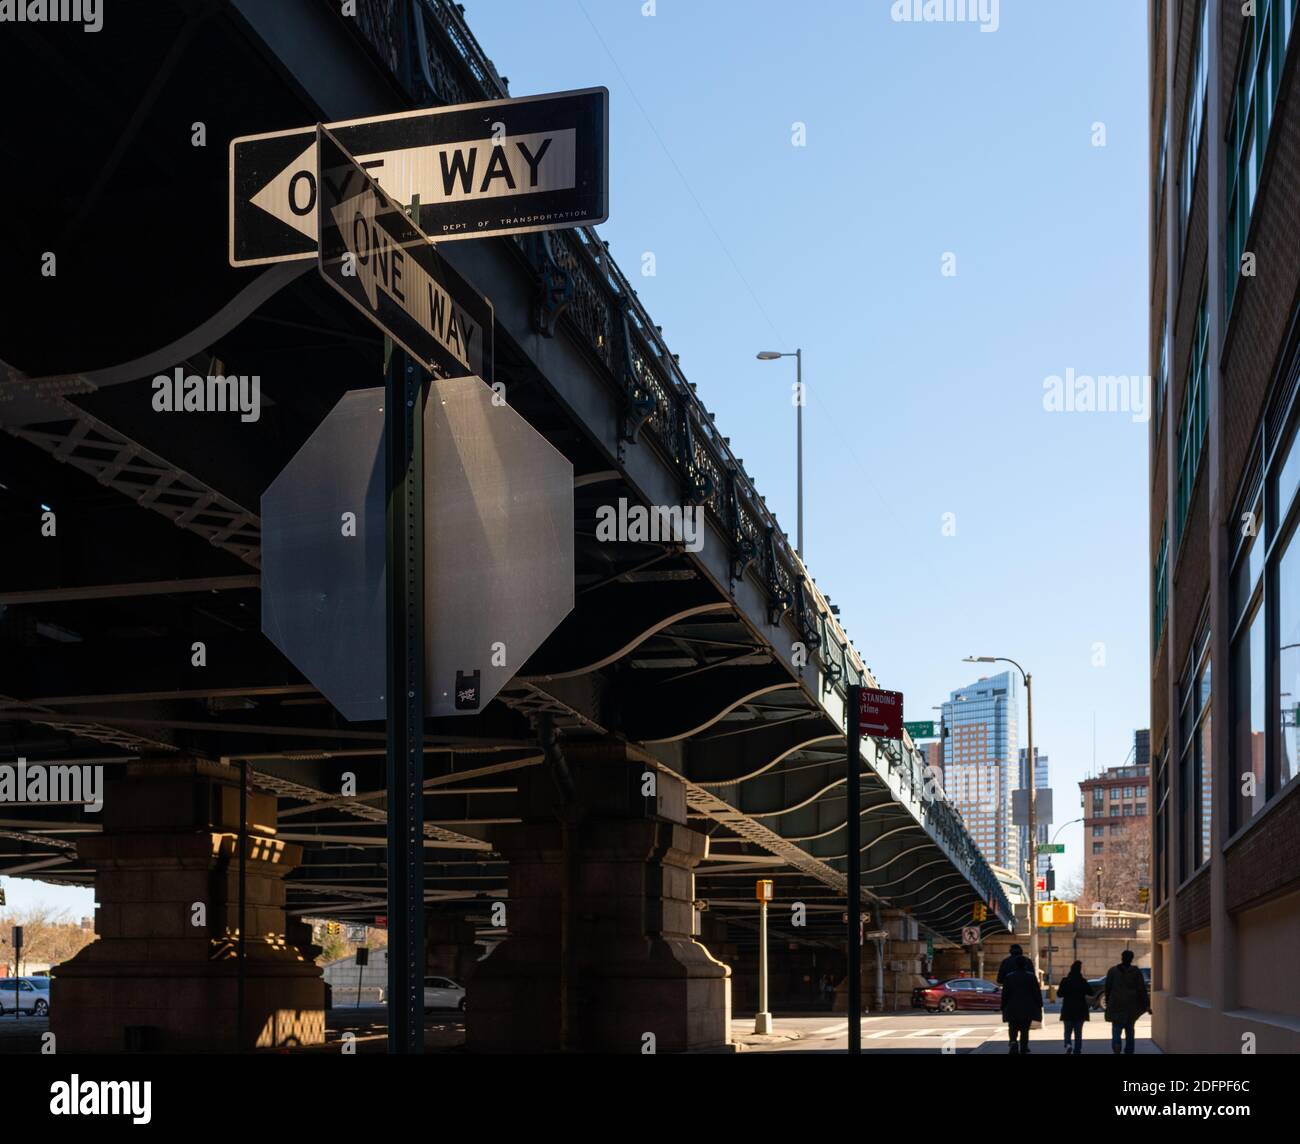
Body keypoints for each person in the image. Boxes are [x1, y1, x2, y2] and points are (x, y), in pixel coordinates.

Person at [1102, 949, 1150, 1054]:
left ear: (1122, 957)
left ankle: (1117, 1046)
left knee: (1116, 1030)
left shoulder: (1113, 971)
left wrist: (1109, 1001)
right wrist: (1146, 1005)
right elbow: (1142, 990)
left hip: (1116, 1006)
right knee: (1130, 1031)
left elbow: (1108, 989)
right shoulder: (1136, 972)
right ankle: (1129, 1050)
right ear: (1131, 959)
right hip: (1131, 1008)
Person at [1001, 955, 1042, 1054]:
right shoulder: (1031, 977)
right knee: (1025, 1029)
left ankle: (1013, 1043)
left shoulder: (1009, 977)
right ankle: (1024, 1047)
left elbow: (1005, 994)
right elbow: (1036, 992)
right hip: (1027, 1007)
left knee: (1012, 1027)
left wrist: (1003, 1006)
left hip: (1012, 1007)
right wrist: (1039, 1004)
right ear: (1025, 964)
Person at [1057, 960, 1091, 1053]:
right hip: (1080, 1010)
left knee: (1067, 1031)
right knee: (1078, 1033)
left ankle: (1068, 1044)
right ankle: (1077, 1050)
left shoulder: (1065, 981)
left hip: (1068, 1009)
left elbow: (1059, 994)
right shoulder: (1082, 981)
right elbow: (1090, 992)